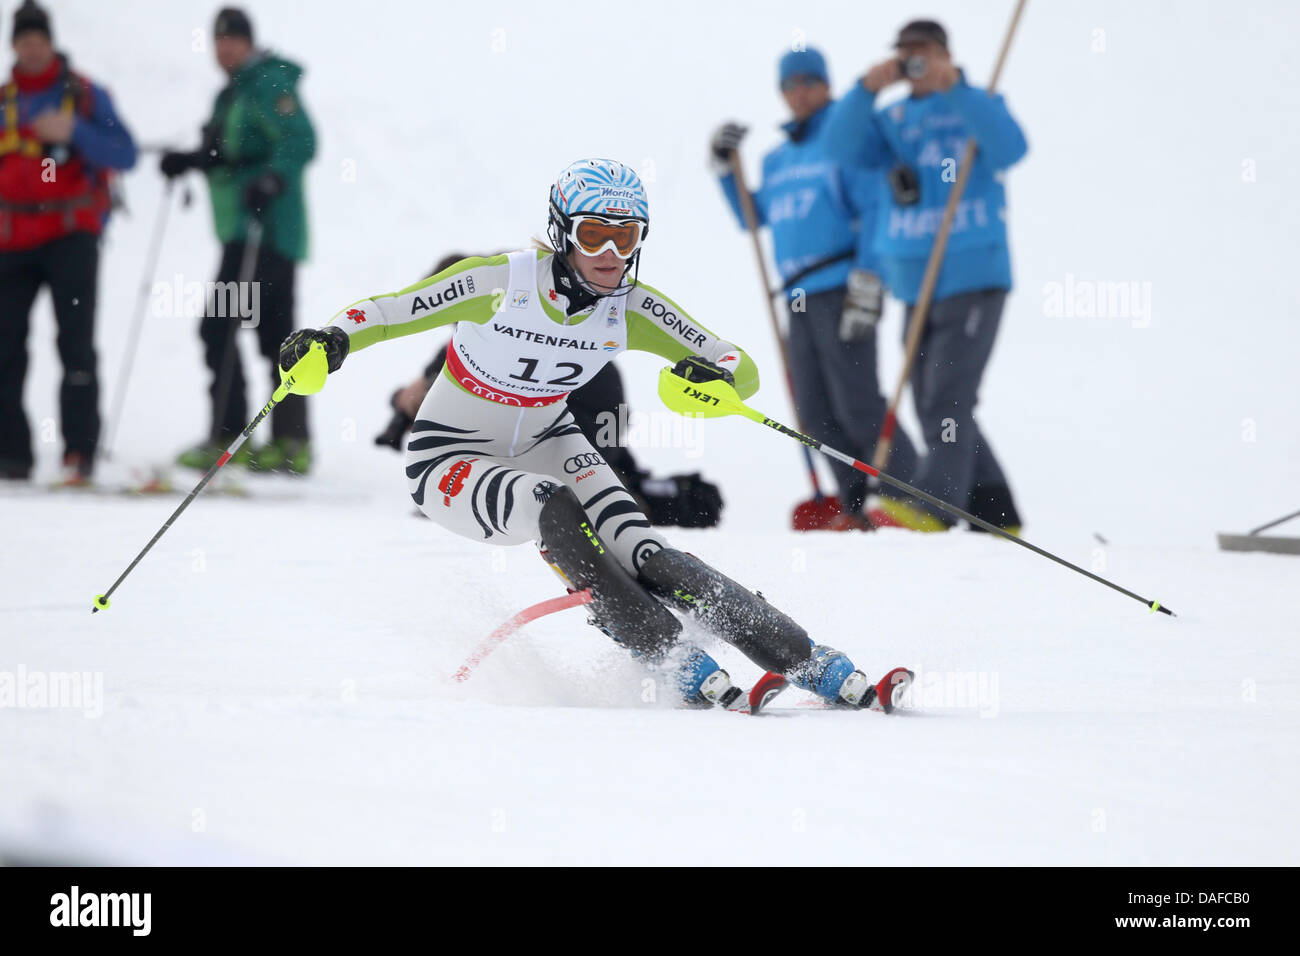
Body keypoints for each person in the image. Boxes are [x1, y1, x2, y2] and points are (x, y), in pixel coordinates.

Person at [277, 158, 912, 712]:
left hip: (553, 439)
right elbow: (389, 311)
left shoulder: (629, 305)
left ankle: (811, 660)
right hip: (450, 454)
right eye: (594, 235)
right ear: (563, 233)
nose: (611, 254)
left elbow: (736, 363)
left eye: (626, 236)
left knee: (647, 554)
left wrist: (710, 374)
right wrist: (331, 339)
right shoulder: (502, 281)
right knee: (554, 509)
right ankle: (670, 655)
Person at [824, 19, 1026, 533]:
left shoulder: (976, 104)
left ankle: (934, 508)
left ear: (945, 54)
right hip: (916, 283)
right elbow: (840, 148)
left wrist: (954, 85)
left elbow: (1011, 149)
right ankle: (996, 512)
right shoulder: (890, 118)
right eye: (906, 53)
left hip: (973, 275)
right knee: (930, 399)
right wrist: (865, 89)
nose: (915, 62)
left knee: (947, 398)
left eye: (925, 52)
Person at [710, 46, 919, 531]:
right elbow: (751, 215)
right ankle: (855, 506)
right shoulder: (777, 158)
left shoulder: (846, 142)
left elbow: (873, 209)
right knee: (812, 408)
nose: (799, 92)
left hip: (842, 283)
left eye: (809, 81)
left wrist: (870, 279)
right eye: (790, 85)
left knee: (856, 398)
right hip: (796, 292)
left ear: (826, 84)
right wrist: (726, 168)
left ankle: (911, 497)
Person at [376, 253, 726, 529]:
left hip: (583, 414)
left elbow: (418, 394)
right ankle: (640, 491)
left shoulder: (484, 324)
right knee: (608, 465)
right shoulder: (515, 284)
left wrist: (400, 411)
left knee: (550, 476)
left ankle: (624, 497)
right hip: (603, 405)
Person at [161, 7, 316, 474]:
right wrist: (192, 159)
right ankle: (254, 438)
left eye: (233, 39)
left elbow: (301, 140)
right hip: (242, 229)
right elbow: (231, 152)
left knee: (253, 331)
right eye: (219, 40)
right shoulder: (234, 93)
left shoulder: (269, 84)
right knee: (238, 330)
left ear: (249, 43)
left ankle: (273, 441)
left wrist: (272, 178)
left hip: (268, 232)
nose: (225, 47)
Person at [0, 0, 136, 484]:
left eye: (38, 39)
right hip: (11, 240)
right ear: (14, 44)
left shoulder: (84, 95)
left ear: (50, 42)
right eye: (24, 40)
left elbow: (126, 153)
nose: (32, 48)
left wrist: (75, 130)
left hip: (71, 234)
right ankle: (10, 455)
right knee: (5, 347)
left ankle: (79, 453)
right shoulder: (4, 100)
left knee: (75, 345)